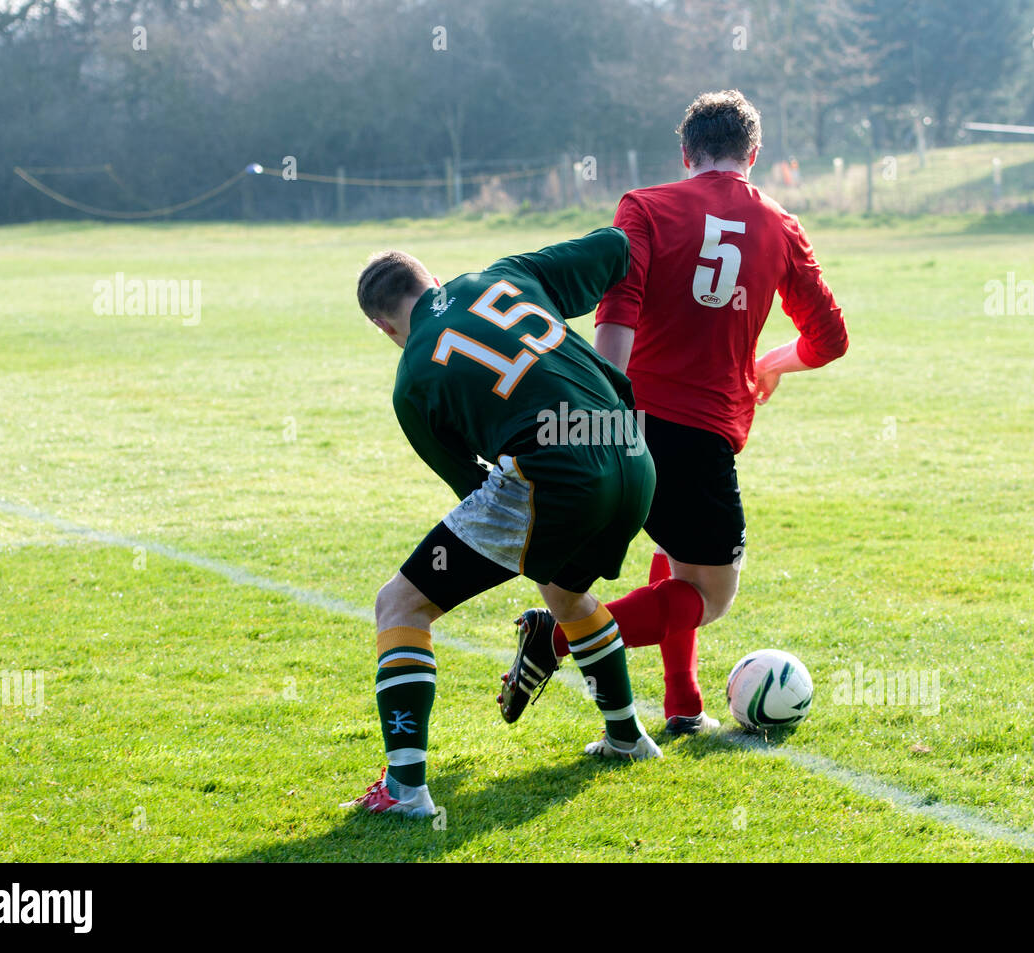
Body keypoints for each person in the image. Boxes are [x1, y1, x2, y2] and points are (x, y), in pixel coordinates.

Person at [499, 90, 847, 735]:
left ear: (685, 153)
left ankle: (683, 704)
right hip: (698, 433)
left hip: (626, 416)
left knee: (673, 553)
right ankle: (552, 643)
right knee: (711, 595)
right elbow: (830, 341)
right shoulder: (781, 224)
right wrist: (772, 362)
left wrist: (609, 411)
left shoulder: (646, 206)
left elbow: (617, 308)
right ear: (754, 154)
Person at [348, 227, 662, 818]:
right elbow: (618, 249)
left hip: (560, 473)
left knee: (400, 605)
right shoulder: (504, 273)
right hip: (633, 453)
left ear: (384, 328)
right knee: (566, 593)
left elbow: (472, 488)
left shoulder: (412, 378)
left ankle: (405, 789)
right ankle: (627, 736)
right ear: (434, 279)